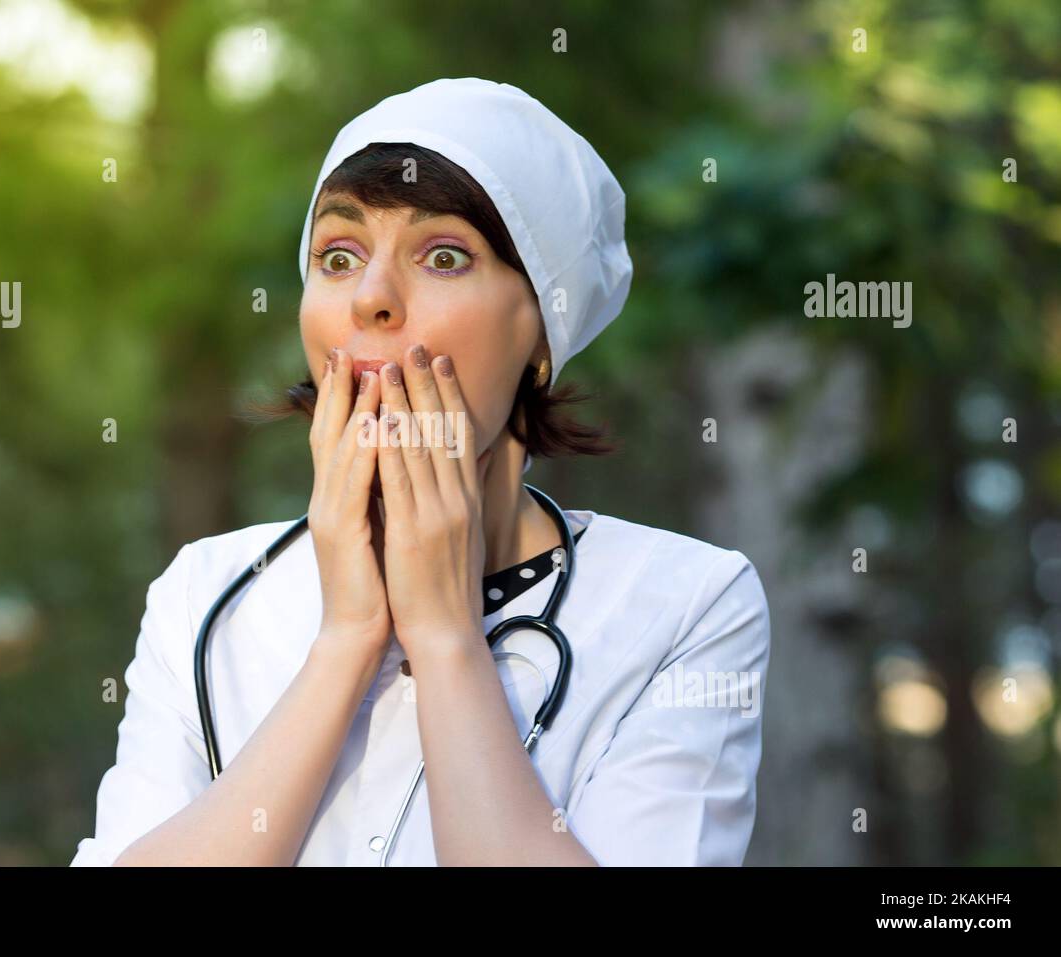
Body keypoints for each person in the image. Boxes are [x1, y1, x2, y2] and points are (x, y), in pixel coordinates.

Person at [71, 77, 771, 867]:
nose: (371, 296)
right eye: (339, 256)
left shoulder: (687, 604)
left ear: (542, 332)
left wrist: (445, 639)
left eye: (444, 255)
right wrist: (346, 641)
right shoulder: (202, 594)